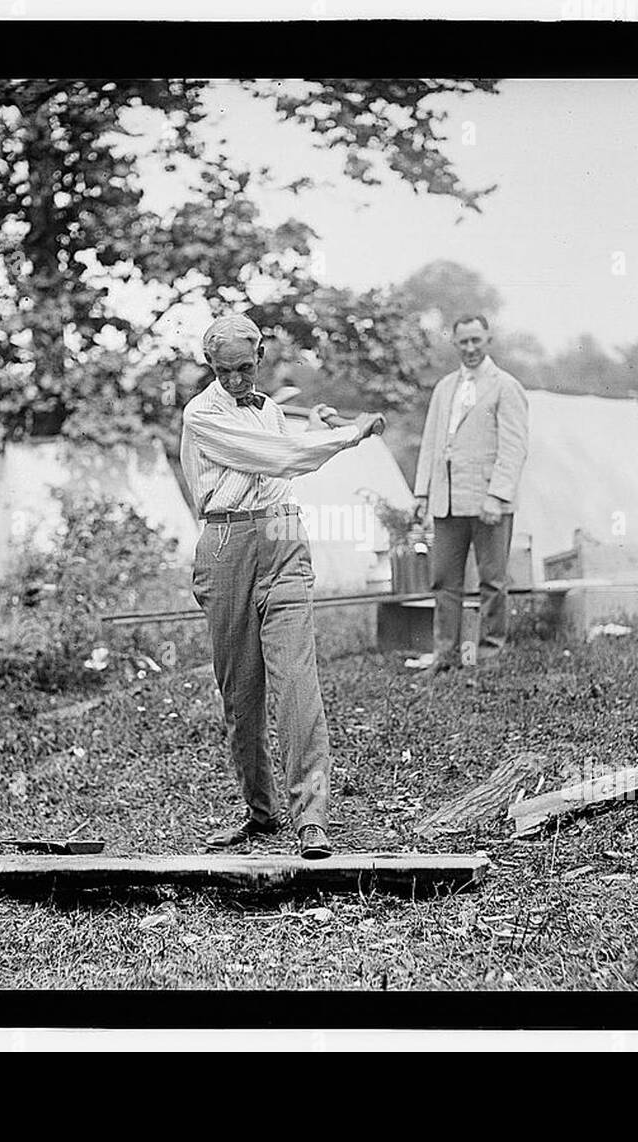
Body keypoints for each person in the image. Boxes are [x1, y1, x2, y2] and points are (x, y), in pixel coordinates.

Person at [179, 313, 385, 858]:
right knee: (241, 692)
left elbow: (280, 435)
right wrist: (346, 434)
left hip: (283, 533)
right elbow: (279, 456)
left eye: (246, 369)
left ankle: (312, 817)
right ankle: (261, 812)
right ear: (211, 368)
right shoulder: (200, 414)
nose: (237, 382)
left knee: (298, 680)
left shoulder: (268, 409)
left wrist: (312, 421)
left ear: (261, 357)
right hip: (226, 546)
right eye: (225, 373)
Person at [413, 315, 529, 671]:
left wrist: (497, 496)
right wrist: (422, 495)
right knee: (444, 580)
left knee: (492, 580)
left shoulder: (505, 386)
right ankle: (445, 654)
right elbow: (431, 443)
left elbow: (514, 447)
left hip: (487, 501)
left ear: (488, 340)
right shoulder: (445, 387)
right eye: (463, 342)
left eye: (476, 340)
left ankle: (490, 653)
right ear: (455, 344)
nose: (470, 349)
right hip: (447, 501)